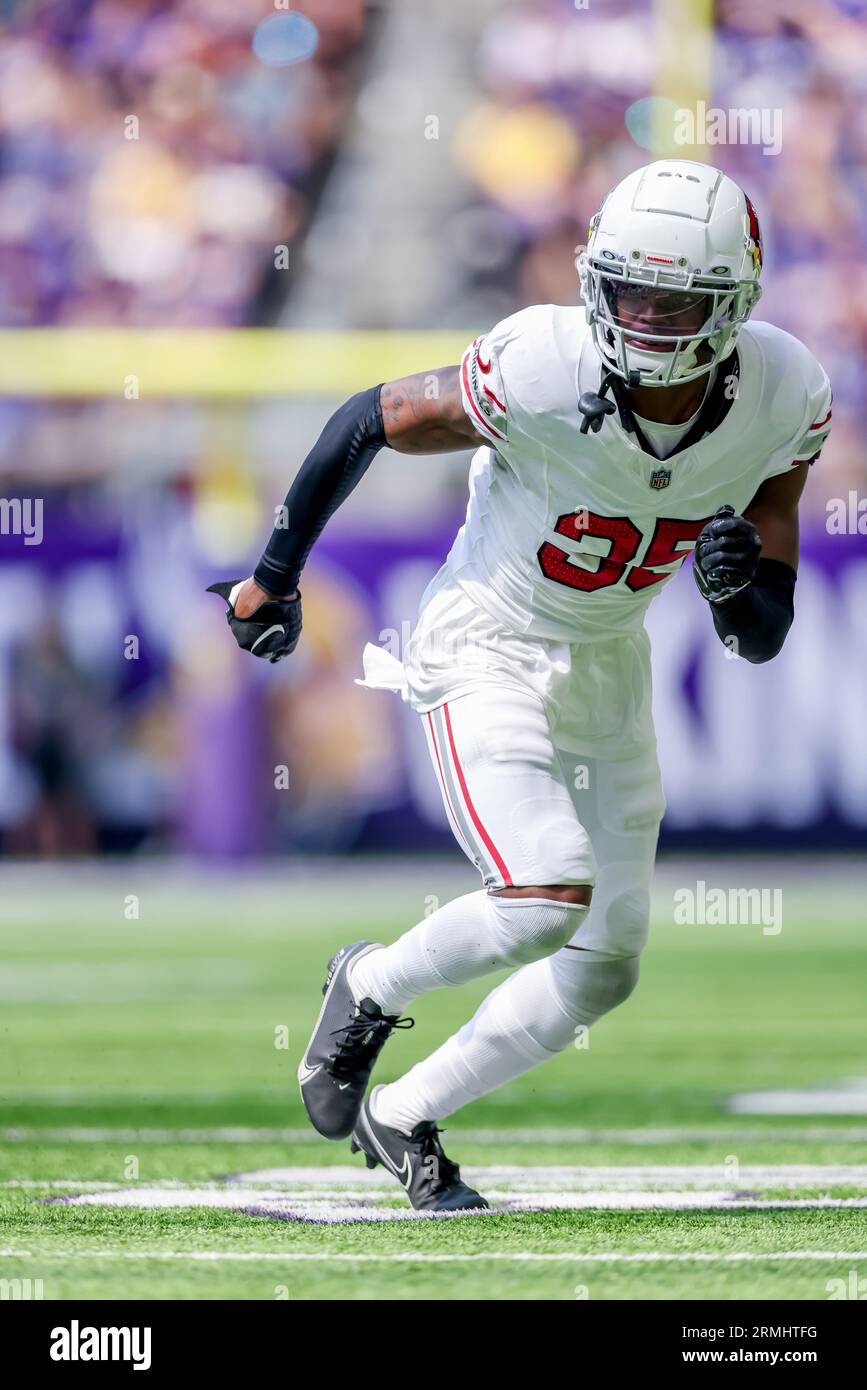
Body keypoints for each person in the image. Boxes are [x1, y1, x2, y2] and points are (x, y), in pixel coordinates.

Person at [209, 159, 832, 1212]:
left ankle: (404, 1111)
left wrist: (736, 591)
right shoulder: (543, 364)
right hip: (487, 640)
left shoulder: (783, 392)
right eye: (626, 290)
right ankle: (369, 984)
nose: (640, 318)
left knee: (605, 962)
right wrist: (273, 576)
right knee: (547, 887)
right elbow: (373, 415)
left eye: (672, 300)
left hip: (609, 663)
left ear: (730, 305)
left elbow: (760, 636)